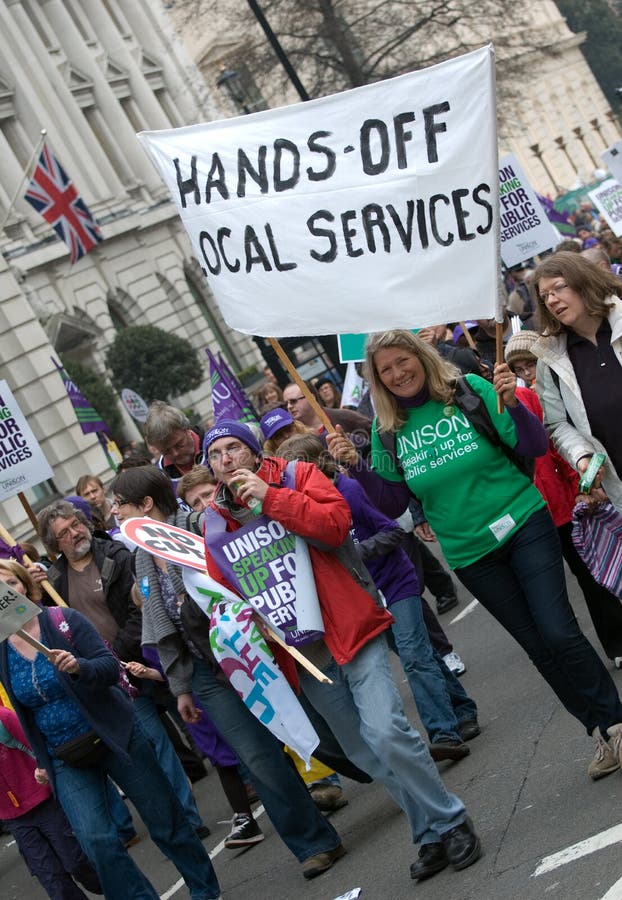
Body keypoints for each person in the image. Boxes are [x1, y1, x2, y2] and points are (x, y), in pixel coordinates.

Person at [327, 328, 622, 781]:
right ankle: (598, 731)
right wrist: (357, 468)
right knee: (538, 648)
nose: (397, 373)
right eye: (384, 370)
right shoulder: (386, 431)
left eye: (401, 360)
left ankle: (616, 721)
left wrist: (515, 403)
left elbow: (533, 445)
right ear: (377, 381)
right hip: (471, 555)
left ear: (420, 356)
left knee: (558, 632)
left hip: (524, 522)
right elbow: (389, 504)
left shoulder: (469, 390)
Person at [200, 419, 482, 883]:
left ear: (253, 453)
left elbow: (334, 527)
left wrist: (269, 498)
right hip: (305, 656)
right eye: (216, 454)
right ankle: (428, 831)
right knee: (366, 753)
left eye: (234, 448)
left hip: (349, 627)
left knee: (387, 732)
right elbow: (225, 593)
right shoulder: (214, 522)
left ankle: (449, 819)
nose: (226, 459)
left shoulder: (295, 477)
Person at [108, 463, 343, 879]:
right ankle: (313, 843)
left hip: (247, 651)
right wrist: (181, 687)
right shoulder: (141, 557)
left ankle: (365, 764)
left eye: (120, 504)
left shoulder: (202, 524)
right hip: (205, 672)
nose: (114, 512)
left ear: (146, 504)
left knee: (312, 728)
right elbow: (167, 629)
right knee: (258, 757)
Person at [0, 561, 222, 900]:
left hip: (116, 735)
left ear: (26, 585)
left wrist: (79, 666)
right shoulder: (2, 651)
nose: (7, 592)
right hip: (66, 756)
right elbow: (22, 711)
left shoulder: (64, 621)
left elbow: (108, 667)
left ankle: (205, 890)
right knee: (97, 842)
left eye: (11, 582)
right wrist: (41, 759)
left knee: (166, 822)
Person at [278, 433, 479, 759]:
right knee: (417, 656)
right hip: (365, 598)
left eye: (295, 474)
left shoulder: (349, 491)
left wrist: (355, 552)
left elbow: (394, 530)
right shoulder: (307, 511)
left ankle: (445, 734)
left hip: (395, 582)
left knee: (414, 657)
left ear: (316, 467)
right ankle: (463, 708)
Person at [34, 500, 210, 841]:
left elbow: (140, 606)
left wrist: (124, 649)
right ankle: (185, 819)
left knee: (195, 721)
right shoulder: (56, 580)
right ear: (55, 545)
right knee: (155, 745)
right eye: (65, 533)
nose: (75, 533)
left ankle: (224, 789)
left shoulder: (116, 555)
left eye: (76, 525)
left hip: (145, 658)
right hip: (111, 676)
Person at [504, 329, 622, 676]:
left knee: (593, 575)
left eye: (531, 364)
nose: (526, 373)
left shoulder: (545, 394)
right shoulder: (512, 401)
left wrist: (581, 486)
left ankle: (617, 640)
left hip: (569, 502)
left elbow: (562, 447)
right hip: (535, 512)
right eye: (519, 367)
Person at [0, 639, 101, 900]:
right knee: (52, 881)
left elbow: (36, 743)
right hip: (13, 817)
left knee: (77, 862)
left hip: (42, 800)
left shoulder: (4, 719)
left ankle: (116, 887)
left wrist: (45, 769)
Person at [531, 252, 622, 515]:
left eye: (559, 287)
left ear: (583, 281)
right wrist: (581, 456)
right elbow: (557, 423)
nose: (552, 299)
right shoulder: (550, 357)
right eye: (545, 296)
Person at [144, 402, 205, 490]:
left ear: (187, 429)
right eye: (166, 451)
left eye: (179, 445)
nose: (175, 453)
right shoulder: (159, 478)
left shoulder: (216, 445)